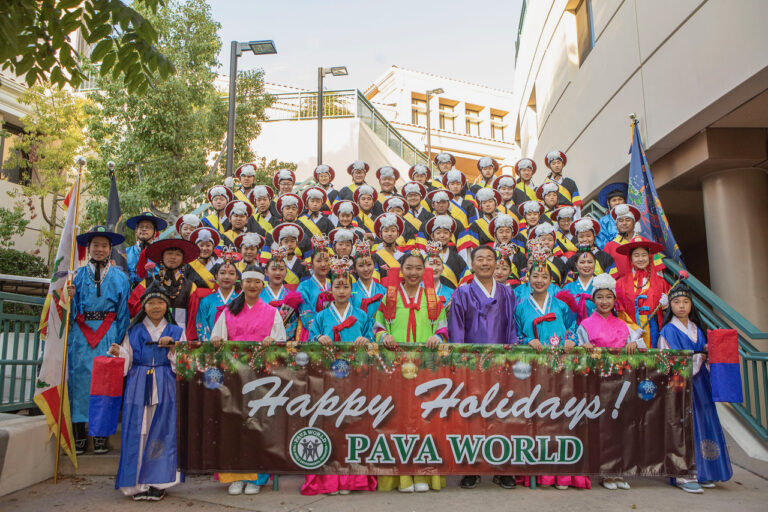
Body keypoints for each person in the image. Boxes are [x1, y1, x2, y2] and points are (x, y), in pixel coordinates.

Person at [514, 239, 588, 491]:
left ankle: (563, 475)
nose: (539, 280)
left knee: (561, 417)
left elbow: (573, 328)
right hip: (531, 368)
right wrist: (527, 340)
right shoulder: (521, 307)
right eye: (535, 275)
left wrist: (569, 340)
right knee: (532, 419)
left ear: (551, 280)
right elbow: (514, 334)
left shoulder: (562, 305)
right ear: (528, 278)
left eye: (544, 276)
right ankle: (534, 473)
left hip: (560, 366)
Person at [302, 256, 378, 496]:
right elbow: (309, 339)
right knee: (329, 427)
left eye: (346, 286)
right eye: (338, 286)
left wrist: (368, 341)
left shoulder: (364, 316)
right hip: (328, 380)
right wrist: (317, 339)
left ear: (352, 289)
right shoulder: (322, 317)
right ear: (330, 289)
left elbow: (374, 342)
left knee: (354, 426)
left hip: (356, 379)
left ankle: (352, 481)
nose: (342, 290)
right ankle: (329, 481)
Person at [210, 264, 286, 496]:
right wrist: (215, 340)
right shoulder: (228, 311)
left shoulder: (272, 312)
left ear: (262, 285)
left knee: (258, 424)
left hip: (262, 377)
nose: (252, 286)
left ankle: (257, 476)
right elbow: (217, 337)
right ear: (240, 284)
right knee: (233, 424)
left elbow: (282, 343)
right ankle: (235, 475)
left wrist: (272, 342)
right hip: (233, 375)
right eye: (248, 281)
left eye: (256, 282)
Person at [376, 251, 448, 493]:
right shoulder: (389, 297)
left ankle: (424, 476)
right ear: (401, 270)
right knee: (396, 420)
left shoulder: (434, 299)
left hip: (425, 368)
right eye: (409, 267)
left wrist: (437, 337)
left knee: (426, 421)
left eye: (418, 268)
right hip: (395, 368)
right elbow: (377, 326)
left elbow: (443, 329)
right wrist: (383, 335)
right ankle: (399, 478)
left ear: (424, 270)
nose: (414, 272)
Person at [449, 244, 518, 490]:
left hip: (501, 364)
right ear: (472, 264)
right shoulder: (462, 293)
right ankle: (471, 467)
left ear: (497, 263)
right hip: (472, 365)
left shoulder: (507, 293)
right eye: (481, 259)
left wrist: (511, 356)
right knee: (472, 417)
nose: (486, 263)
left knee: (503, 416)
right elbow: (456, 333)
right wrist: (461, 362)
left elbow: (511, 328)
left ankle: (503, 469)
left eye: (490, 258)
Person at [109, 281, 183, 501]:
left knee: (163, 431)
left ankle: (159, 483)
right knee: (137, 431)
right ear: (144, 306)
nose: (156, 307)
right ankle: (136, 484)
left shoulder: (176, 331)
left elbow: (184, 364)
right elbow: (126, 361)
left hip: (165, 382)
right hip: (138, 381)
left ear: (167, 305)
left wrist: (173, 348)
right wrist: (118, 353)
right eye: (151, 302)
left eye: (160, 302)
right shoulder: (134, 331)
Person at [658, 282, 733, 493]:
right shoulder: (667, 331)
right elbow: (668, 362)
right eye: (676, 302)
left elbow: (705, 357)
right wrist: (700, 356)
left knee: (704, 423)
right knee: (685, 426)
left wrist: (710, 352)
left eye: (685, 302)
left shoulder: (697, 329)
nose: (681, 306)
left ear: (691, 305)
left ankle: (705, 471)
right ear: (670, 306)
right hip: (680, 385)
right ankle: (683, 475)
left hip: (701, 384)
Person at [67, 226, 131, 455]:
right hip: (81, 334)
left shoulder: (120, 277)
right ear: (89, 248)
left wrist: (118, 339)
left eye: (104, 246)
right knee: (80, 382)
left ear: (110, 249)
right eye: (96, 245)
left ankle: (101, 435)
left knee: (105, 383)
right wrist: (70, 298)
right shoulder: (75, 275)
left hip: (108, 333)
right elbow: (68, 311)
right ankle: (80, 434)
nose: (100, 250)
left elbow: (123, 311)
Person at [576, 273, 643, 491]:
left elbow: (639, 351)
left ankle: (619, 470)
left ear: (614, 300)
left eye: (608, 297)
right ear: (593, 300)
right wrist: (583, 348)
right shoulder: (585, 325)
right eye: (600, 297)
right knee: (602, 428)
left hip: (622, 382)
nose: (604, 302)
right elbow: (580, 356)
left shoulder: (625, 326)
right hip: (597, 383)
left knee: (620, 427)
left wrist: (633, 346)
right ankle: (604, 471)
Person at [128, 239, 199, 331]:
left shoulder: (190, 286)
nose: (173, 257)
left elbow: (193, 318)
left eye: (178, 254)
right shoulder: (147, 283)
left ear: (183, 260)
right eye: (169, 253)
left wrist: (187, 340)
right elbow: (133, 307)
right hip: (150, 333)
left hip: (180, 336)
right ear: (162, 257)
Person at [614, 235, 670, 348]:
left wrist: (666, 306)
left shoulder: (661, 282)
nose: (640, 259)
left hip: (655, 328)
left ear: (649, 257)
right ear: (630, 258)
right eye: (636, 255)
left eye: (644, 255)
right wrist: (633, 330)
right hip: (631, 331)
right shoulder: (620, 283)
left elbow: (669, 311)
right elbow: (619, 309)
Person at [603, 204, 664, 278]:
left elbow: (658, 271)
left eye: (628, 220)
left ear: (634, 223)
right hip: (620, 287)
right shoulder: (609, 247)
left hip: (646, 286)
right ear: (616, 224)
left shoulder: (646, 243)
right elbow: (607, 275)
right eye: (621, 221)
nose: (624, 223)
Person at [195, 257, 240, 341]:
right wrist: (210, 343)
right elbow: (201, 325)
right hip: (211, 348)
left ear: (237, 277)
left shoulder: (241, 301)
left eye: (231, 273)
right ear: (216, 276)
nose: (226, 277)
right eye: (222, 273)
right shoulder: (206, 301)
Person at [260, 250, 301, 341]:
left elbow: (295, 322)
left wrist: (283, 337)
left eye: (281, 269)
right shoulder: (258, 295)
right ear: (266, 272)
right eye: (274, 269)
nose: (278, 273)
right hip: (264, 341)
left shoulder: (292, 296)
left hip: (286, 342)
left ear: (286, 272)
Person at [297, 238, 332, 340]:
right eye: (318, 261)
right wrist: (319, 334)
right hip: (311, 333)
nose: (323, 264)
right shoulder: (304, 286)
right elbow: (306, 313)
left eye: (326, 260)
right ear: (311, 264)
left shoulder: (333, 286)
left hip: (332, 331)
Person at [424, 215, 470, 289]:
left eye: (445, 233)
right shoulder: (424, 257)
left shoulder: (458, 259)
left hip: (452, 298)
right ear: (432, 236)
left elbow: (463, 283)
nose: (442, 236)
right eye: (438, 233)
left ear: (451, 236)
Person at [125, 212, 167, 286]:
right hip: (131, 294)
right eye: (141, 227)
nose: (144, 229)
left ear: (154, 232)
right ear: (136, 230)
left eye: (148, 227)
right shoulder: (126, 253)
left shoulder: (162, 253)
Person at [351, 241, 386, 321]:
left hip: (379, 331)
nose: (366, 269)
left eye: (369, 265)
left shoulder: (383, 290)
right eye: (360, 266)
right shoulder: (350, 291)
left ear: (374, 265)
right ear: (355, 269)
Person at [562, 247, 598, 324]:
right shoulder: (567, 289)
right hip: (573, 332)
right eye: (582, 262)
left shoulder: (600, 286)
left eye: (590, 262)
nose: (586, 265)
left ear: (595, 263)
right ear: (576, 265)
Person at [371, 213, 406, 281]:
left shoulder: (404, 256)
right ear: (380, 234)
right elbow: (375, 280)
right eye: (386, 231)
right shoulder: (375, 257)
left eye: (393, 231)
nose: (389, 234)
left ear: (398, 234)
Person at [595, 182, 628, 249]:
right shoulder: (604, 221)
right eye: (614, 200)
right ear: (608, 203)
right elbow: (602, 242)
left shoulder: (632, 216)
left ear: (625, 201)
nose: (617, 202)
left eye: (620, 199)